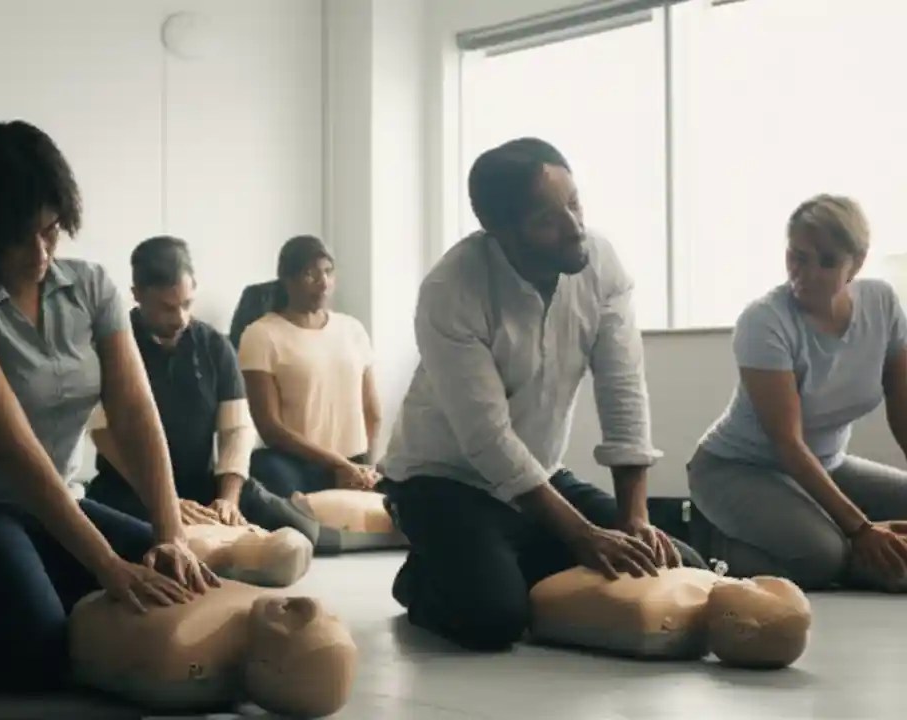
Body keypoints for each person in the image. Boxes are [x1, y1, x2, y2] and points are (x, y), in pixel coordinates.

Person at [0, 120, 217, 692]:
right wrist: (106, 566)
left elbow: (133, 413)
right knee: (39, 652)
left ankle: (25, 580)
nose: (39, 252)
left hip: (51, 509)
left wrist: (170, 533)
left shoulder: (93, 287)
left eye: (51, 230)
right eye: (16, 238)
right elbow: (13, 450)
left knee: (182, 581)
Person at [380, 137, 705, 652]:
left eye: (574, 203)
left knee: (680, 567)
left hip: (537, 476)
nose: (575, 227)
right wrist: (580, 535)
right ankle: (423, 575)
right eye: (548, 220)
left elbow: (623, 392)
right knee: (494, 618)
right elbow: (486, 437)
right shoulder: (451, 289)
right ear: (500, 232)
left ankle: (505, 559)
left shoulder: (601, 264)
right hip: (442, 482)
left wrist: (634, 519)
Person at [688, 194, 907, 591]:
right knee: (824, 556)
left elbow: (904, 411)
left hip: (826, 462)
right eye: (797, 256)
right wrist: (859, 529)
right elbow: (787, 444)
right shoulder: (765, 321)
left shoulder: (884, 305)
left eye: (826, 261)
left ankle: (855, 552)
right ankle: (710, 539)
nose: (805, 273)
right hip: (737, 468)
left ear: (855, 264)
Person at [85, 236, 318, 540]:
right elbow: (103, 433)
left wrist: (228, 500)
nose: (180, 318)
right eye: (167, 308)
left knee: (302, 531)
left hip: (200, 483)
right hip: (131, 487)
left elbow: (236, 430)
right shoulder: (112, 345)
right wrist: (163, 500)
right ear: (137, 295)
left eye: (186, 304)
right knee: (146, 537)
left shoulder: (214, 346)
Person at [238, 236, 382, 498]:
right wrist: (339, 464)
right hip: (297, 467)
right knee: (263, 470)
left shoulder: (352, 329)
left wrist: (363, 469)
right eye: (310, 274)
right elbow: (270, 427)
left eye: (328, 272)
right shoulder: (261, 335)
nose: (323, 283)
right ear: (288, 280)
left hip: (354, 463)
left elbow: (372, 411)